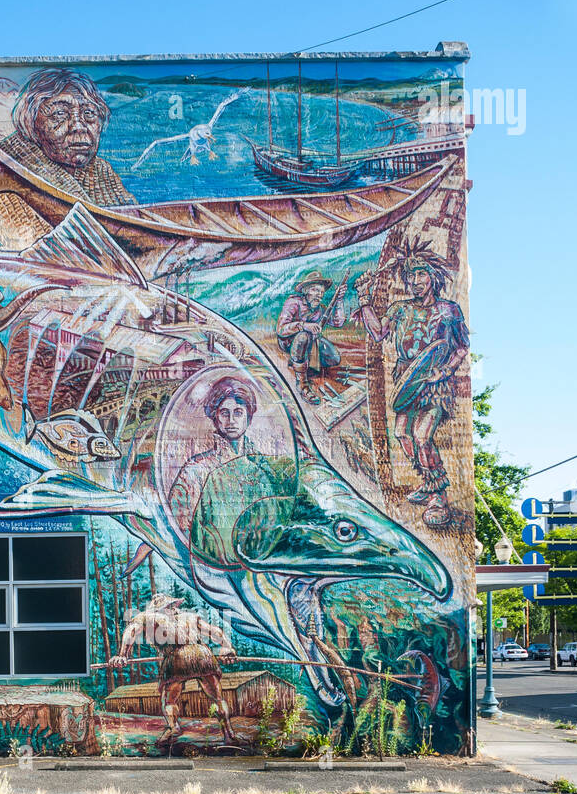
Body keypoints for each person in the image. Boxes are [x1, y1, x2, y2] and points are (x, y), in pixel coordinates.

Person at [356, 237, 469, 529]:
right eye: (410, 277)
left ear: (432, 277)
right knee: (402, 434)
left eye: (420, 275)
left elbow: (460, 348)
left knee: (421, 435)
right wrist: (364, 300)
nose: (415, 282)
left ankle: (439, 496)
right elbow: (379, 333)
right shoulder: (400, 309)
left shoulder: (449, 310)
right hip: (407, 377)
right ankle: (428, 481)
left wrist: (445, 371)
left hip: (434, 379)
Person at [168, 376, 293, 567]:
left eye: (238, 412)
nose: (231, 421)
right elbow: (182, 530)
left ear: (248, 417)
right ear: (215, 417)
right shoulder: (196, 471)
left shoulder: (264, 468)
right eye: (224, 413)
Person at [0, 67, 136, 208]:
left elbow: (137, 215)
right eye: (59, 113)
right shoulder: (4, 172)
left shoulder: (101, 171)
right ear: (31, 123)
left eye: (89, 113)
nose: (78, 126)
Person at [110, 594, 237, 747]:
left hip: (176, 657)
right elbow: (214, 632)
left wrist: (122, 654)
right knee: (217, 698)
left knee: (169, 699)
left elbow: (131, 631)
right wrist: (227, 646)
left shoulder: (147, 617)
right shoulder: (190, 617)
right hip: (203, 654)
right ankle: (229, 733)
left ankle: (173, 726)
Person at [276, 271, 344, 406]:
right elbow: (281, 330)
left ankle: (305, 362)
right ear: (306, 291)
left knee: (334, 358)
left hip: (312, 342)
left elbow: (338, 322)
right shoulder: (293, 302)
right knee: (302, 337)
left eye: (321, 292)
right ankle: (302, 384)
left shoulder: (321, 309)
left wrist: (340, 301)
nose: (319, 294)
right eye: (315, 290)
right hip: (290, 342)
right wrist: (304, 326)